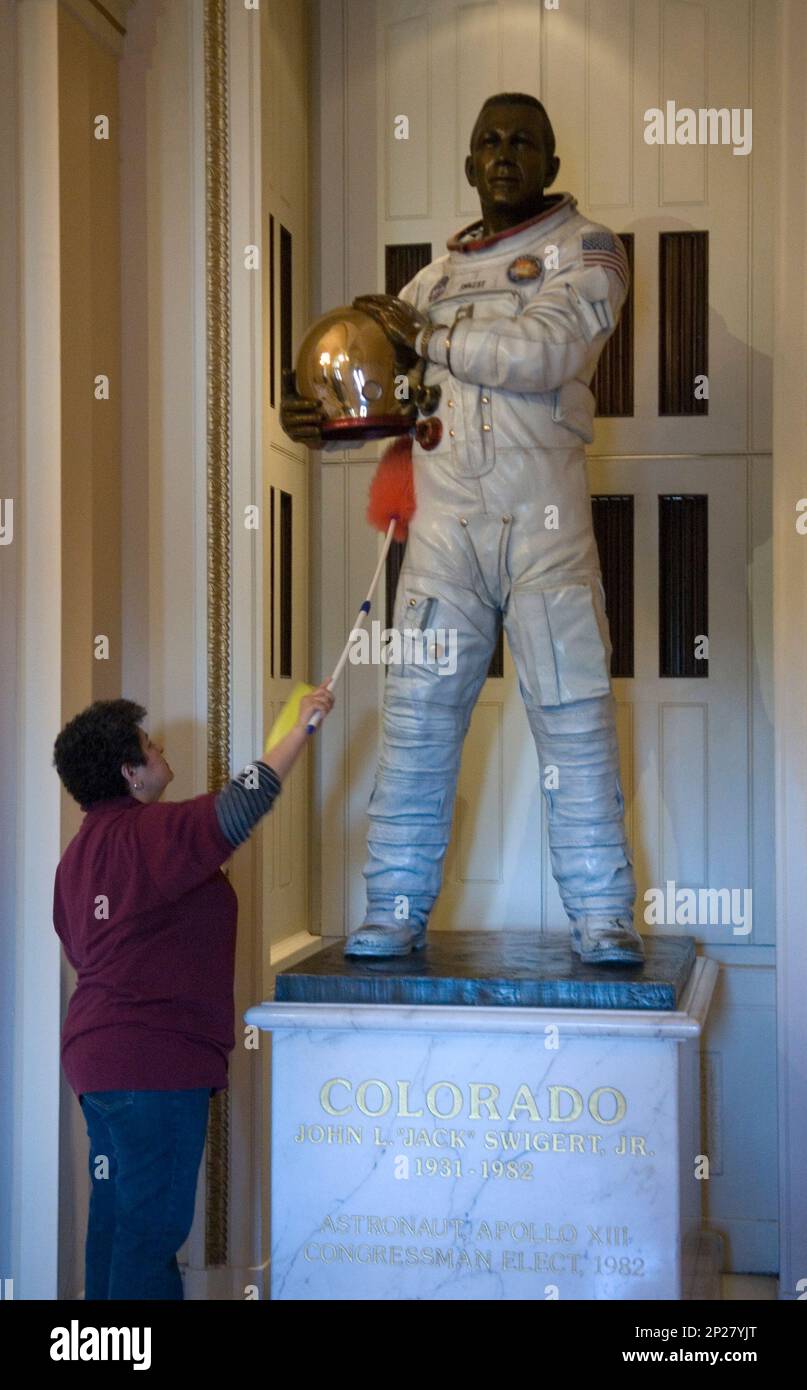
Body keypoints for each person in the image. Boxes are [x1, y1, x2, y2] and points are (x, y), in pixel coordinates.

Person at [282, 92, 643, 968]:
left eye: (524, 142)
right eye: (488, 142)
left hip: (541, 525)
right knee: (417, 720)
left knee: (572, 719)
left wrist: (425, 336)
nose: (505, 155)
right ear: (468, 164)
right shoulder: (428, 284)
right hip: (445, 531)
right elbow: (388, 394)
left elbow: (544, 355)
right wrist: (326, 415)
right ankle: (393, 910)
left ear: (552, 163)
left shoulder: (585, 252)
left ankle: (602, 917)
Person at [52, 684, 334, 1300]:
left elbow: (83, 950)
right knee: (149, 1240)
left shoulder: (75, 858)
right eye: (150, 747)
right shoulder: (152, 833)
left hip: (95, 1063)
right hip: (153, 1067)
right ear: (130, 773)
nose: (161, 751)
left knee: (117, 1221)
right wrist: (302, 726)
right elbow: (244, 803)